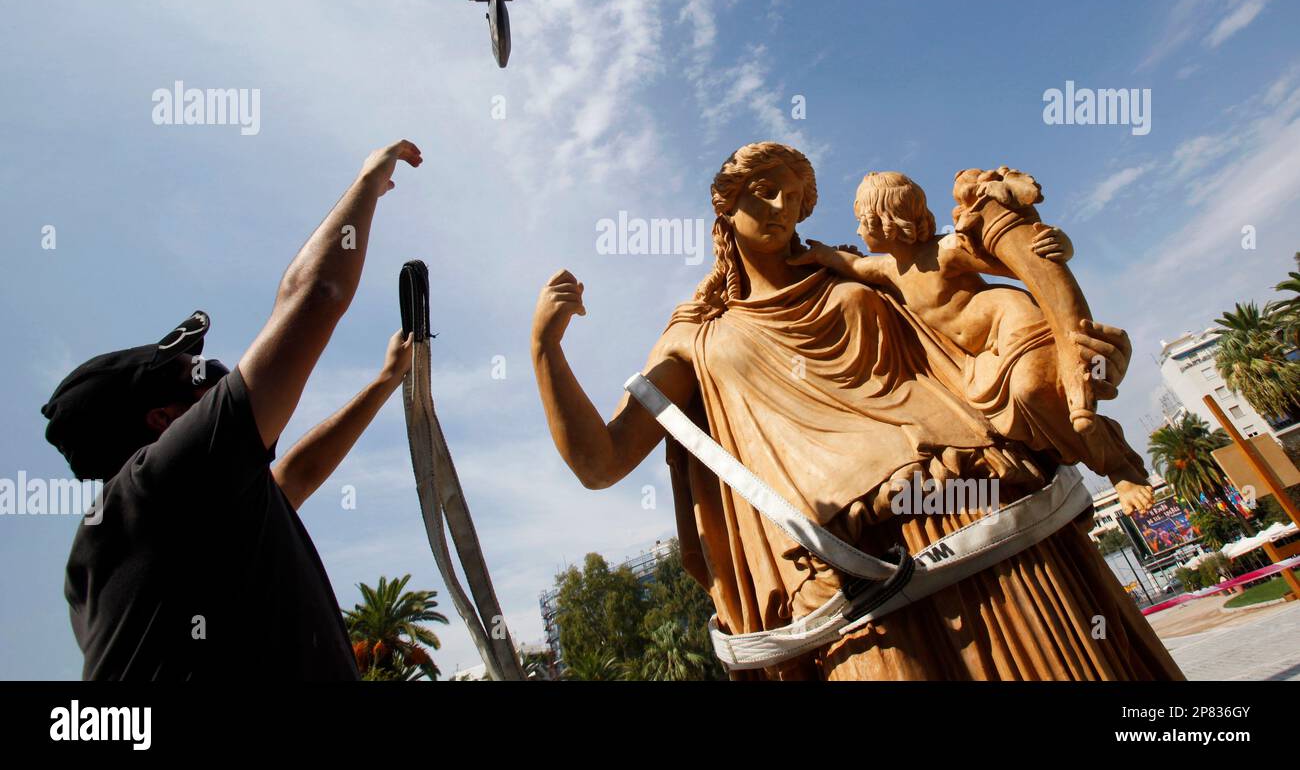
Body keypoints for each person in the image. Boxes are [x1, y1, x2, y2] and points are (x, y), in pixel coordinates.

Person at [532, 141, 1183, 680]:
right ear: (724, 207)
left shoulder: (860, 275)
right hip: (841, 576)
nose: (783, 204)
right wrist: (545, 350)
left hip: (979, 506)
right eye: (764, 188)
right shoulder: (697, 336)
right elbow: (602, 460)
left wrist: (1067, 349)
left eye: (794, 192)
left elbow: (976, 322)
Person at [41, 140, 423, 680]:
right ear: (162, 422)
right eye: (190, 377)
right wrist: (367, 182)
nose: (211, 375)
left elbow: (294, 474)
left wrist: (385, 382)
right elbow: (314, 295)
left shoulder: (157, 528)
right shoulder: (157, 487)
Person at [789, 170, 1155, 515]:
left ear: (887, 220)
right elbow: (851, 265)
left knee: (1034, 393)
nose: (860, 230)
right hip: (986, 357)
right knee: (1018, 417)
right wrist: (812, 256)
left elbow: (1023, 262)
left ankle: (1119, 468)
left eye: (863, 220)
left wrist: (1062, 245)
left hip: (1016, 327)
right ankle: (1094, 451)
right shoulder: (889, 270)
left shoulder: (945, 250)